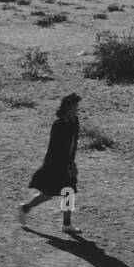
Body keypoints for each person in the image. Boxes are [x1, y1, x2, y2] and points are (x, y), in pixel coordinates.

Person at [20, 92, 81, 235]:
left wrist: (72, 163)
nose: (76, 110)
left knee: (68, 193)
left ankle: (67, 224)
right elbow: (54, 149)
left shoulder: (74, 122)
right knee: (48, 193)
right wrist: (63, 165)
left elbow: (74, 144)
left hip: (67, 164)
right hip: (55, 165)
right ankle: (25, 208)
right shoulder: (58, 125)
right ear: (67, 108)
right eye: (74, 107)